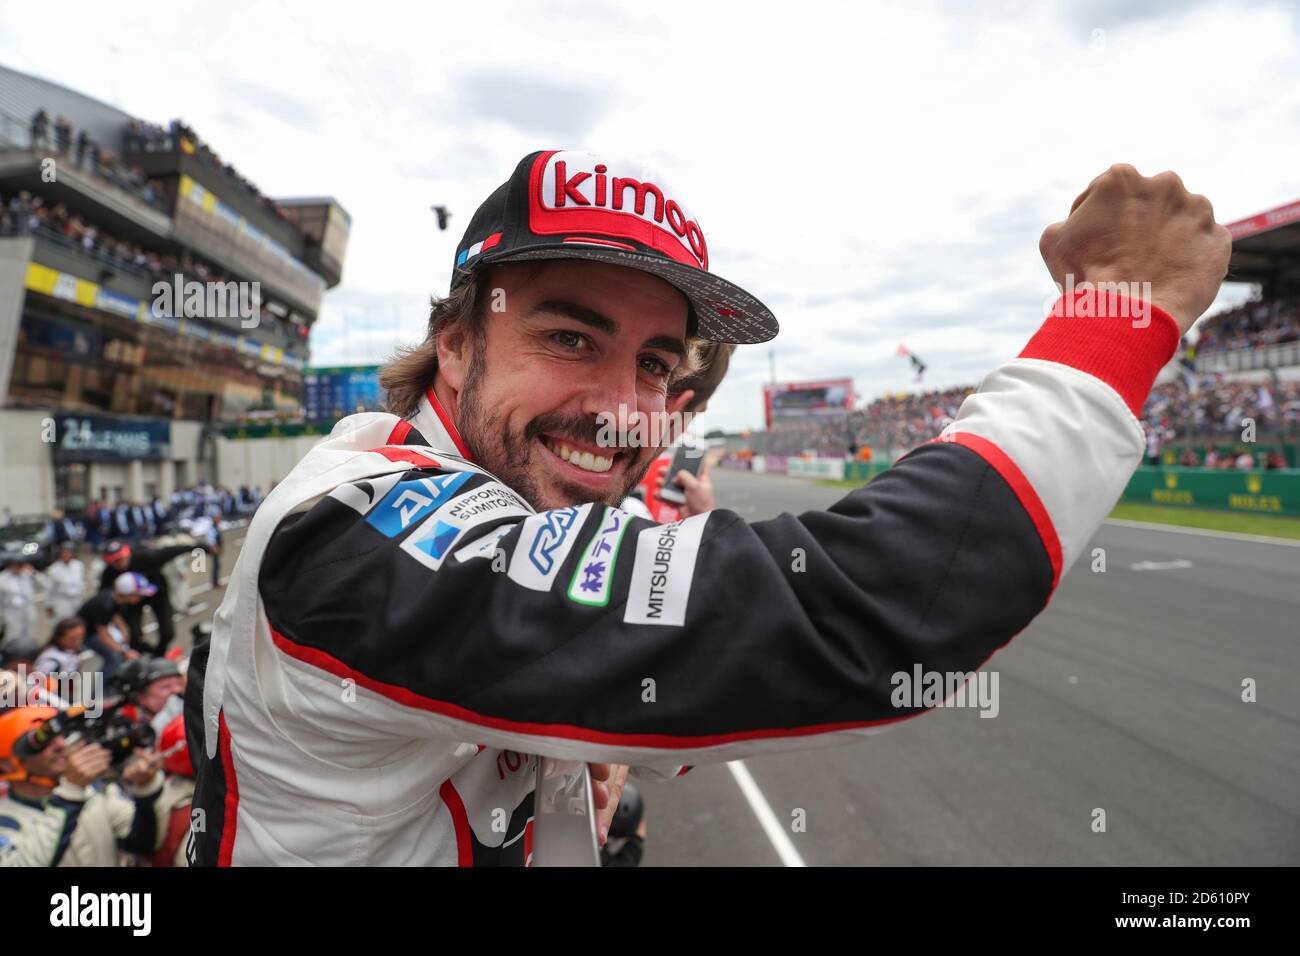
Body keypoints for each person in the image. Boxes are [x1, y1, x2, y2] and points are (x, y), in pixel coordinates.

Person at [184, 153, 1231, 866]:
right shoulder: (350, 532)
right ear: (454, 344)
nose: (619, 404)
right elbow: (866, 607)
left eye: (650, 361)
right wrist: (1120, 312)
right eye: (567, 337)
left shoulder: (474, 495)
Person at [0, 707, 168, 866]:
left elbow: (144, 843)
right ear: (7, 764)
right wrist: (71, 792)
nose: (60, 745)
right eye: (40, 740)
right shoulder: (5, 819)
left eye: (60, 735)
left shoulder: (93, 792)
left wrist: (145, 790)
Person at [98, 540, 205, 655]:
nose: (120, 564)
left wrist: (203, 547)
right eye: (115, 562)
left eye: (121, 559)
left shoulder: (146, 557)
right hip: (131, 603)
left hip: (157, 594)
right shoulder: (108, 575)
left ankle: (159, 653)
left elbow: (173, 550)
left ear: (128, 554)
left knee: (167, 632)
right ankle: (149, 654)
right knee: (133, 636)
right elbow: (104, 597)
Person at [76, 573, 151, 679]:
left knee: (119, 648)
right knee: (114, 659)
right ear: (128, 594)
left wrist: (123, 628)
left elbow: (114, 615)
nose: (141, 597)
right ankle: (100, 690)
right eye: (138, 594)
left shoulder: (114, 597)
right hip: (87, 634)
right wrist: (125, 652)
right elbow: (104, 636)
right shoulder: (104, 605)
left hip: (97, 629)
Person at [44, 544, 86, 622]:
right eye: (64, 553)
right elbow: (49, 589)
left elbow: (81, 582)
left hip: (77, 599)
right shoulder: (53, 569)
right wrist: (49, 605)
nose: (66, 555)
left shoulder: (78, 565)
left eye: (69, 552)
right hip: (62, 601)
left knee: (78, 621)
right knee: (64, 623)